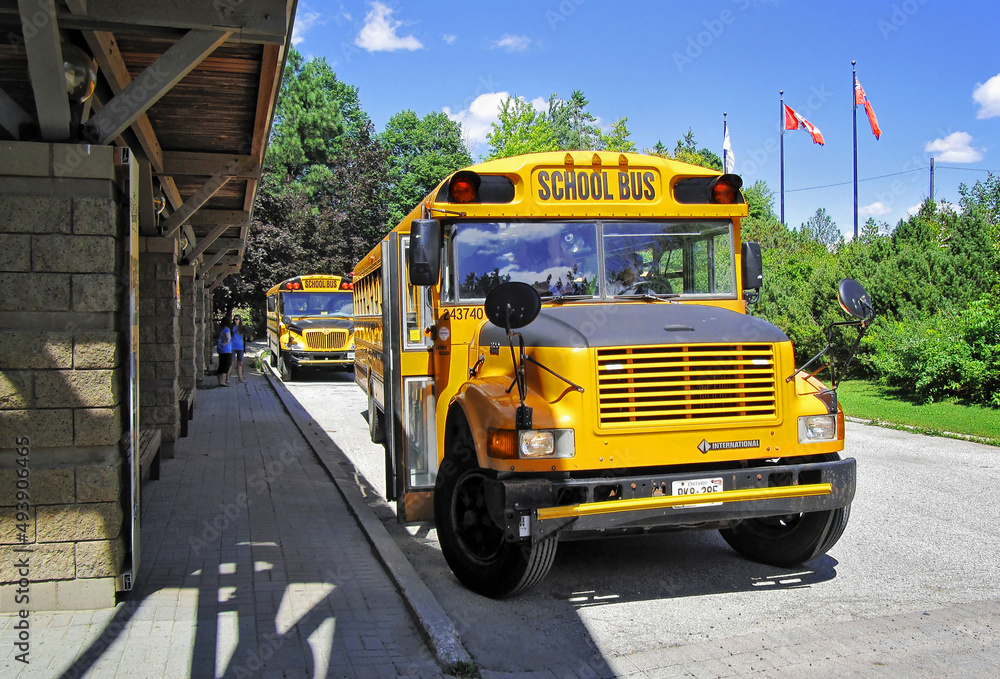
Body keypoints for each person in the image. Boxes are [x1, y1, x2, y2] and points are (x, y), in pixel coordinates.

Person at [227, 317, 253, 383]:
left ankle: (240, 378)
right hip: (232, 347)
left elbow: (246, 337)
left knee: (240, 363)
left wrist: (250, 339)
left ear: (240, 320)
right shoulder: (231, 327)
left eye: (237, 319)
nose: (236, 320)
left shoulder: (242, 328)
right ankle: (227, 378)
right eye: (235, 319)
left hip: (240, 347)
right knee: (231, 363)